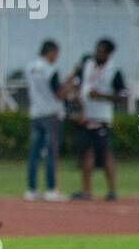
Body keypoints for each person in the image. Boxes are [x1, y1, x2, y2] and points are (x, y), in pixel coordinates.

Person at [69, 39, 127, 200]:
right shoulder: (87, 65)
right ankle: (86, 190)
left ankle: (112, 190)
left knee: (106, 153)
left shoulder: (114, 71)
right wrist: (76, 98)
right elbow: (77, 84)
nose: (97, 53)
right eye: (97, 50)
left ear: (109, 53)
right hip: (85, 117)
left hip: (102, 118)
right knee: (86, 153)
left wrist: (102, 96)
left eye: (102, 51)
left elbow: (123, 95)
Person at [24, 40, 73, 201]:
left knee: (34, 154)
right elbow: (58, 93)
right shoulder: (50, 69)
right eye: (56, 53)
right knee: (51, 153)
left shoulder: (30, 68)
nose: (57, 57)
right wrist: (70, 85)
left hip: (35, 113)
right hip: (51, 114)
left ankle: (31, 189)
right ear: (50, 52)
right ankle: (51, 189)